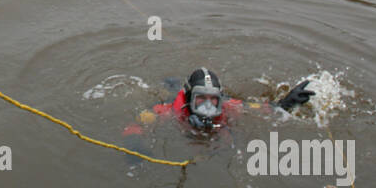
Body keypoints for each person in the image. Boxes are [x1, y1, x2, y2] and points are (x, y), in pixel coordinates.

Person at [123, 67, 316, 136]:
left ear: (220, 99)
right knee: (171, 88)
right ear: (189, 98)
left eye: (213, 100)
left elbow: (260, 108)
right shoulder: (168, 111)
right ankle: (171, 84)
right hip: (177, 97)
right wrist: (134, 149)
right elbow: (135, 126)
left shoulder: (228, 106)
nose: (208, 107)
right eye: (201, 100)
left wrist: (286, 104)